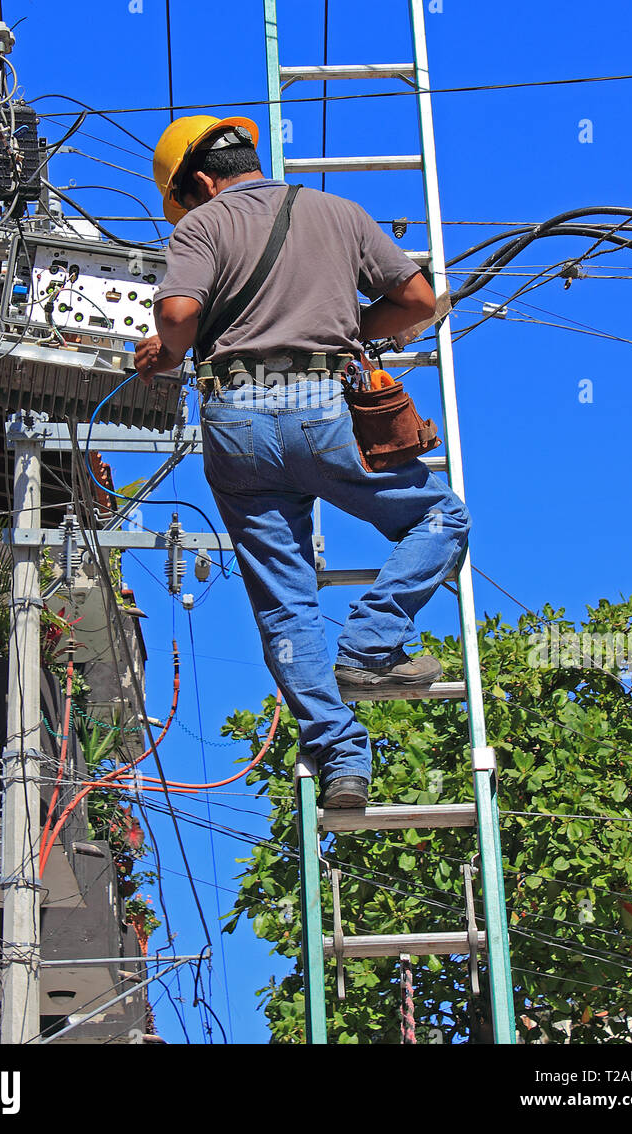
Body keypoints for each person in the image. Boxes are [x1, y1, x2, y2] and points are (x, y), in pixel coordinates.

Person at [135, 115, 470, 808]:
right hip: (324, 408)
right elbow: (416, 302)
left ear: (199, 181)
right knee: (440, 517)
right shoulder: (339, 213)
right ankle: (373, 643)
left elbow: (175, 317)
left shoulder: (200, 227)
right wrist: (348, 330)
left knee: (286, 604)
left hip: (236, 423)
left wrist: (165, 354)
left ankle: (342, 757)